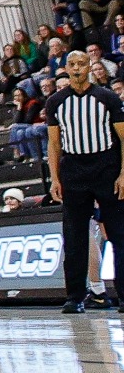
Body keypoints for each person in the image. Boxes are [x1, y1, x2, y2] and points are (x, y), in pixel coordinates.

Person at [44, 49, 124, 313]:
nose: (77, 68)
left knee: (119, 234)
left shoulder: (107, 98)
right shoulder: (56, 101)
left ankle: (122, 295)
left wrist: (123, 174)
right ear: (66, 68)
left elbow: (123, 139)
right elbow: (54, 145)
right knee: (74, 237)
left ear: (90, 66)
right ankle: (75, 297)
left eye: (82, 63)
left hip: (106, 168)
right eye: (72, 64)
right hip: (74, 170)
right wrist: (55, 178)